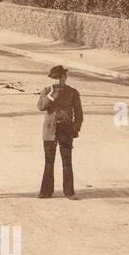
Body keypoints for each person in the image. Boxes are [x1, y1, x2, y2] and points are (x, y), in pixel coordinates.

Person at [37, 65, 83, 199]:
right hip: (50, 130)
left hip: (65, 130)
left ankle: (69, 192)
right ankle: (45, 192)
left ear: (65, 77)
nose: (57, 81)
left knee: (67, 162)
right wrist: (51, 96)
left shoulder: (73, 92)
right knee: (49, 161)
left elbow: (79, 114)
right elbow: (41, 107)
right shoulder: (47, 91)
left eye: (59, 78)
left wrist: (75, 128)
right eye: (54, 79)